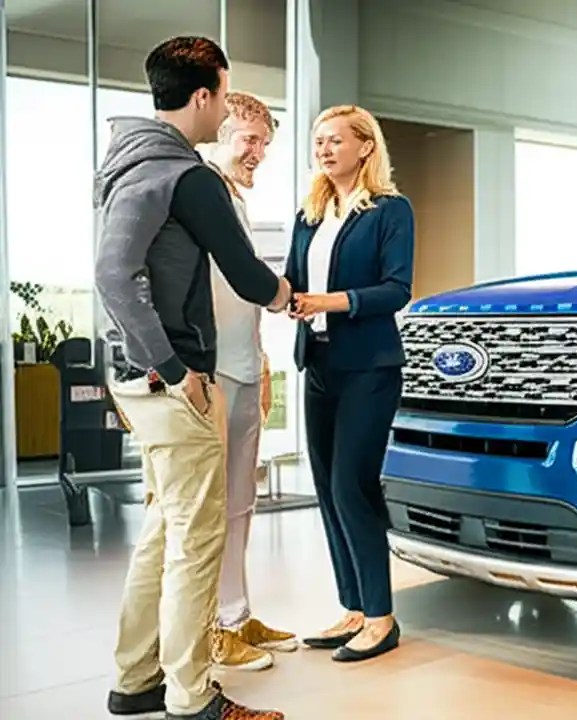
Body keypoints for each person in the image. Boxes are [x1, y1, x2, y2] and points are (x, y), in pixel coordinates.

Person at [94, 36, 290, 720]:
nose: (222, 117)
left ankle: (135, 678)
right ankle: (193, 697)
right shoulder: (187, 176)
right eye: (222, 96)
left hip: (135, 380)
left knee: (162, 531)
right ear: (203, 95)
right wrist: (176, 367)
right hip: (169, 381)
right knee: (197, 540)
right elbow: (244, 273)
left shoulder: (128, 164)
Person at [283, 104, 415, 662]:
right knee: (326, 490)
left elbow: (396, 289)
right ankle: (354, 608)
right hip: (319, 363)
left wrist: (330, 302)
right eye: (318, 142)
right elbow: (291, 276)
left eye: (335, 140)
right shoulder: (310, 213)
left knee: (350, 488)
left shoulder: (390, 210)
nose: (324, 150)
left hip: (370, 367)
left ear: (365, 146)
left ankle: (382, 617)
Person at [202, 90, 299, 672]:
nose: (258, 152)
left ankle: (235, 615)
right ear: (221, 133)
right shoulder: (203, 192)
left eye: (264, 142)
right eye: (248, 140)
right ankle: (211, 628)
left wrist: (261, 363)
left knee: (242, 502)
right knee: (213, 507)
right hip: (211, 371)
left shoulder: (234, 199)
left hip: (242, 366)